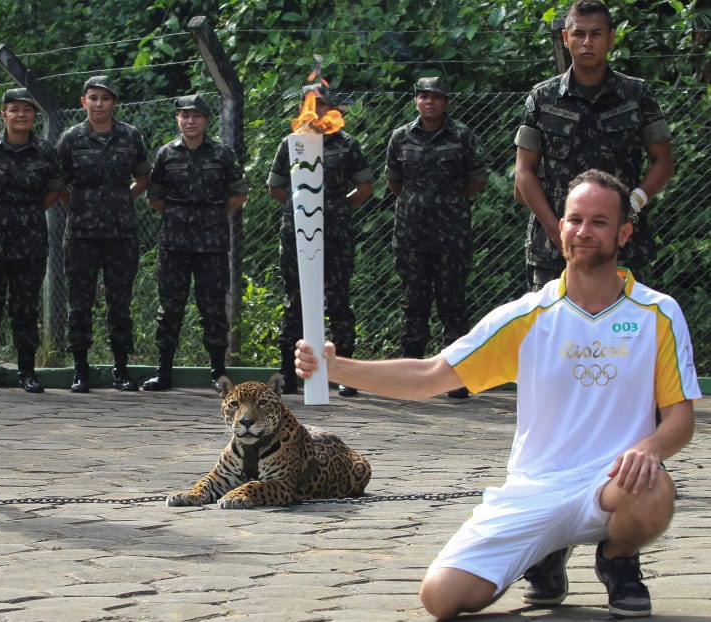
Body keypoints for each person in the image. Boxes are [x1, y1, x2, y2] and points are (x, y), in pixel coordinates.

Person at [295, 170, 699, 619]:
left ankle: (619, 560)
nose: (584, 231)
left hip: (612, 485)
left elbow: (680, 420)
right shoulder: (526, 316)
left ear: (623, 233)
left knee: (655, 489)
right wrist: (336, 367)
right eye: (575, 219)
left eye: (599, 222)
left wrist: (649, 448)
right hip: (534, 490)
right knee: (441, 599)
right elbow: (430, 375)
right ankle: (543, 553)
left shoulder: (657, 313)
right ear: (560, 226)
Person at [514, 0, 674, 292]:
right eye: (579, 33)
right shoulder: (542, 98)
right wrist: (554, 228)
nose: (587, 42)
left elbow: (663, 161)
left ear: (611, 38)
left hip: (621, 243)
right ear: (566, 38)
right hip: (554, 250)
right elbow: (524, 171)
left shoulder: (637, 95)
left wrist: (634, 203)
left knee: (624, 319)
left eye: (596, 33)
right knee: (551, 321)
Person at [267, 84, 373, 396]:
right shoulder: (292, 142)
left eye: (322, 103)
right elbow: (275, 187)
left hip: (335, 235)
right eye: (310, 103)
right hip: (297, 235)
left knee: (338, 301)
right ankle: (289, 374)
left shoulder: (346, 144)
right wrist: (302, 211)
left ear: (331, 108)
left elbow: (365, 187)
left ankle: (343, 374)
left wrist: (335, 209)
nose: (316, 109)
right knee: (295, 301)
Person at [384, 77, 486, 399]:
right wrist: (419, 205)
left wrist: (446, 205)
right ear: (416, 101)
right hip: (411, 236)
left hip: (451, 236)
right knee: (413, 305)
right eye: (424, 96)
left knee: (452, 305)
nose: (429, 102)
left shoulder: (462, 137)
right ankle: (410, 377)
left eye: (436, 97)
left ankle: (454, 378)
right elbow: (394, 182)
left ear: (446, 102)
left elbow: (475, 182)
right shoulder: (400, 137)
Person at [141, 94, 248, 392]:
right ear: (177, 119)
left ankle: (218, 372)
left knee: (213, 309)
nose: (190, 121)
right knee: (169, 308)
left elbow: (239, 194)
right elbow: (155, 198)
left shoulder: (222, 154)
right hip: (174, 244)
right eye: (185, 115)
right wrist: (181, 216)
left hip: (212, 245)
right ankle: (164, 371)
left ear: (206, 120)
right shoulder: (166, 154)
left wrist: (212, 216)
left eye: (196, 116)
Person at [57, 75, 150, 393]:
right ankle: (80, 369)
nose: (99, 104)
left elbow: (143, 177)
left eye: (105, 98)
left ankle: (121, 369)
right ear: (83, 102)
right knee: (79, 303)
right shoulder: (71, 138)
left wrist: (122, 199)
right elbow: (59, 184)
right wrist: (80, 205)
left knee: (119, 302)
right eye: (93, 98)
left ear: (114, 103)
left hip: (120, 233)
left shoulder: (130, 136)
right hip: (81, 234)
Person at [0, 88, 64, 394]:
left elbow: (53, 192)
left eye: (27, 109)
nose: (21, 114)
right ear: (3, 115)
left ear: (34, 116)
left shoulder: (46, 151)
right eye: (14, 109)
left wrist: (26, 212)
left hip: (29, 239)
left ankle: (27, 371)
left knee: (25, 307)